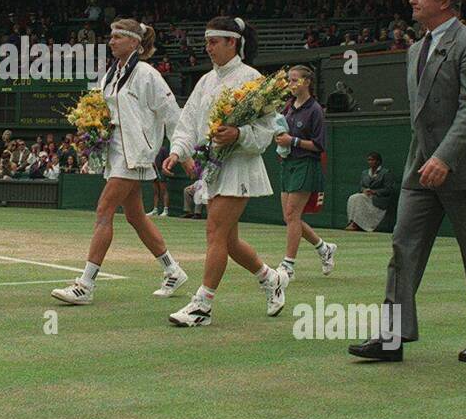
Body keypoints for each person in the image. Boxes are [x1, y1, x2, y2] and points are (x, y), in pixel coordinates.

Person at [349, 0, 466, 363]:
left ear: (445, 1)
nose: (412, 0)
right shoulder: (414, 49)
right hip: (420, 165)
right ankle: (391, 337)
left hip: (465, 166)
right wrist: (428, 157)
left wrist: (444, 157)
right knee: (403, 248)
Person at [51, 19, 189, 306]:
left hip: (136, 154)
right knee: (135, 217)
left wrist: (182, 152)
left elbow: (171, 113)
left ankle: (86, 285)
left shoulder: (148, 74)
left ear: (134, 43)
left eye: (117, 37)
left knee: (104, 210)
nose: (111, 41)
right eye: (111, 37)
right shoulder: (109, 75)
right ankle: (173, 270)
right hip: (114, 154)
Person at [161, 16, 288, 326]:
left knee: (214, 233)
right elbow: (188, 122)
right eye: (207, 42)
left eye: (213, 42)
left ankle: (202, 306)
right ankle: (271, 278)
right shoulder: (206, 81)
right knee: (228, 241)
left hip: (241, 168)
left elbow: (265, 131)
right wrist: (177, 151)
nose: (208, 48)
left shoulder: (252, 79)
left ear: (232, 42)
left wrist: (239, 135)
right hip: (213, 168)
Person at [275, 65, 337, 280]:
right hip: (287, 164)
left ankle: (288, 266)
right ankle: (323, 248)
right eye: (289, 81)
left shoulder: (315, 110)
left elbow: (319, 145)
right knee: (289, 217)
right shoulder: (288, 107)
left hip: (306, 165)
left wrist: (292, 141)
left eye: (294, 80)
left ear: (307, 82)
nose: (290, 84)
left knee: (292, 215)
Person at [346, 152, 396, 232]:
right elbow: (361, 187)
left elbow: (389, 189)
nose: (370, 162)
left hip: (379, 199)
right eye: (369, 160)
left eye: (372, 160)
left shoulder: (386, 173)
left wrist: (374, 192)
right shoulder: (364, 173)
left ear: (378, 161)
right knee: (353, 198)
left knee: (359, 198)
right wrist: (364, 190)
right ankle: (353, 222)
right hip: (365, 196)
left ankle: (356, 224)